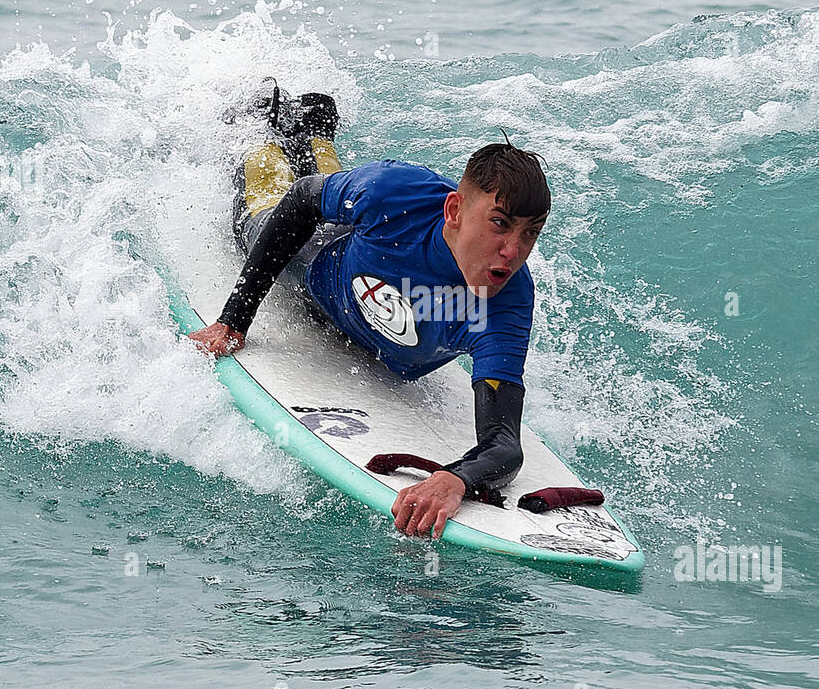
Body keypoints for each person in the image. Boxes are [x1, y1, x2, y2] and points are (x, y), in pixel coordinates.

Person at [190, 87, 550, 540]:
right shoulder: (398, 194)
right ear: (455, 210)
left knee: (347, 197)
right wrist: (234, 321)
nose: (513, 250)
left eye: (530, 233)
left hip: (364, 272)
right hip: (317, 261)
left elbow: (503, 445)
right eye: (499, 223)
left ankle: (313, 130)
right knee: (260, 213)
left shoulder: (507, 303)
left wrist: (454, 478)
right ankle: (260, 123)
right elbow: (302, 200)